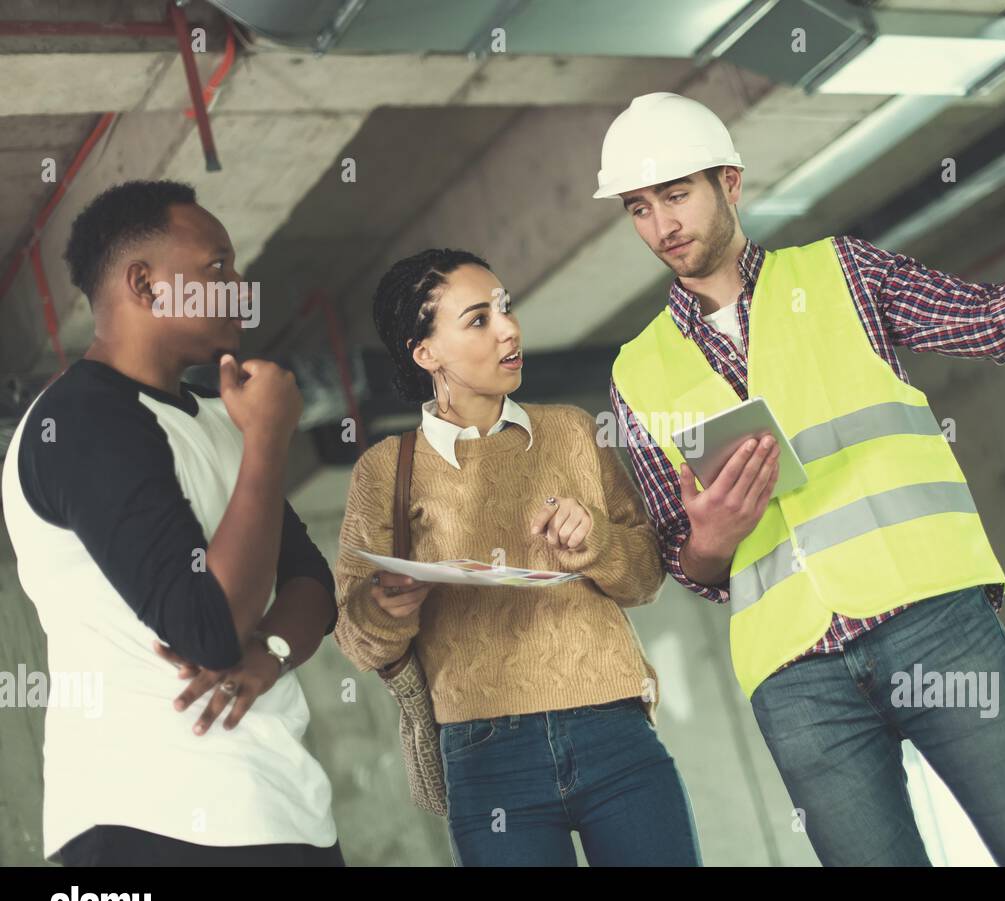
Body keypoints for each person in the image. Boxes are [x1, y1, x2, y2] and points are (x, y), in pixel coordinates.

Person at [599, 92, 1005, 866]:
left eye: (675, 195)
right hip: (794, 679)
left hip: (933, 625)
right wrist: (712, 539)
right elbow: (689, 562)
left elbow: (992, 320)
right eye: (638, 208)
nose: (661, 226)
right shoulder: (636, 371)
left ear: (730, 182)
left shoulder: (841, 272)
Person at [1, 180, 343, 866]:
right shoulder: (77, 421)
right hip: (148, 821)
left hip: (282, 812)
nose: (240, 284)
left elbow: (312, 584)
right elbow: (207, 627)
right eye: (218, 267)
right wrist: (270, 439)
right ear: (145, 284)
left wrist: (270, 654)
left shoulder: (219, 419)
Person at [332, 247, 700, 866]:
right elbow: (355, 637)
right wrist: (386, 606)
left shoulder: (573, 431)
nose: (509, 329)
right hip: (486, 754)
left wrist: (596, 544)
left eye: (506, 309)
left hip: (613, 728)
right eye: (478, 319)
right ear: (426, 354)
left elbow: (645, 579)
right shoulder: (385, 471)